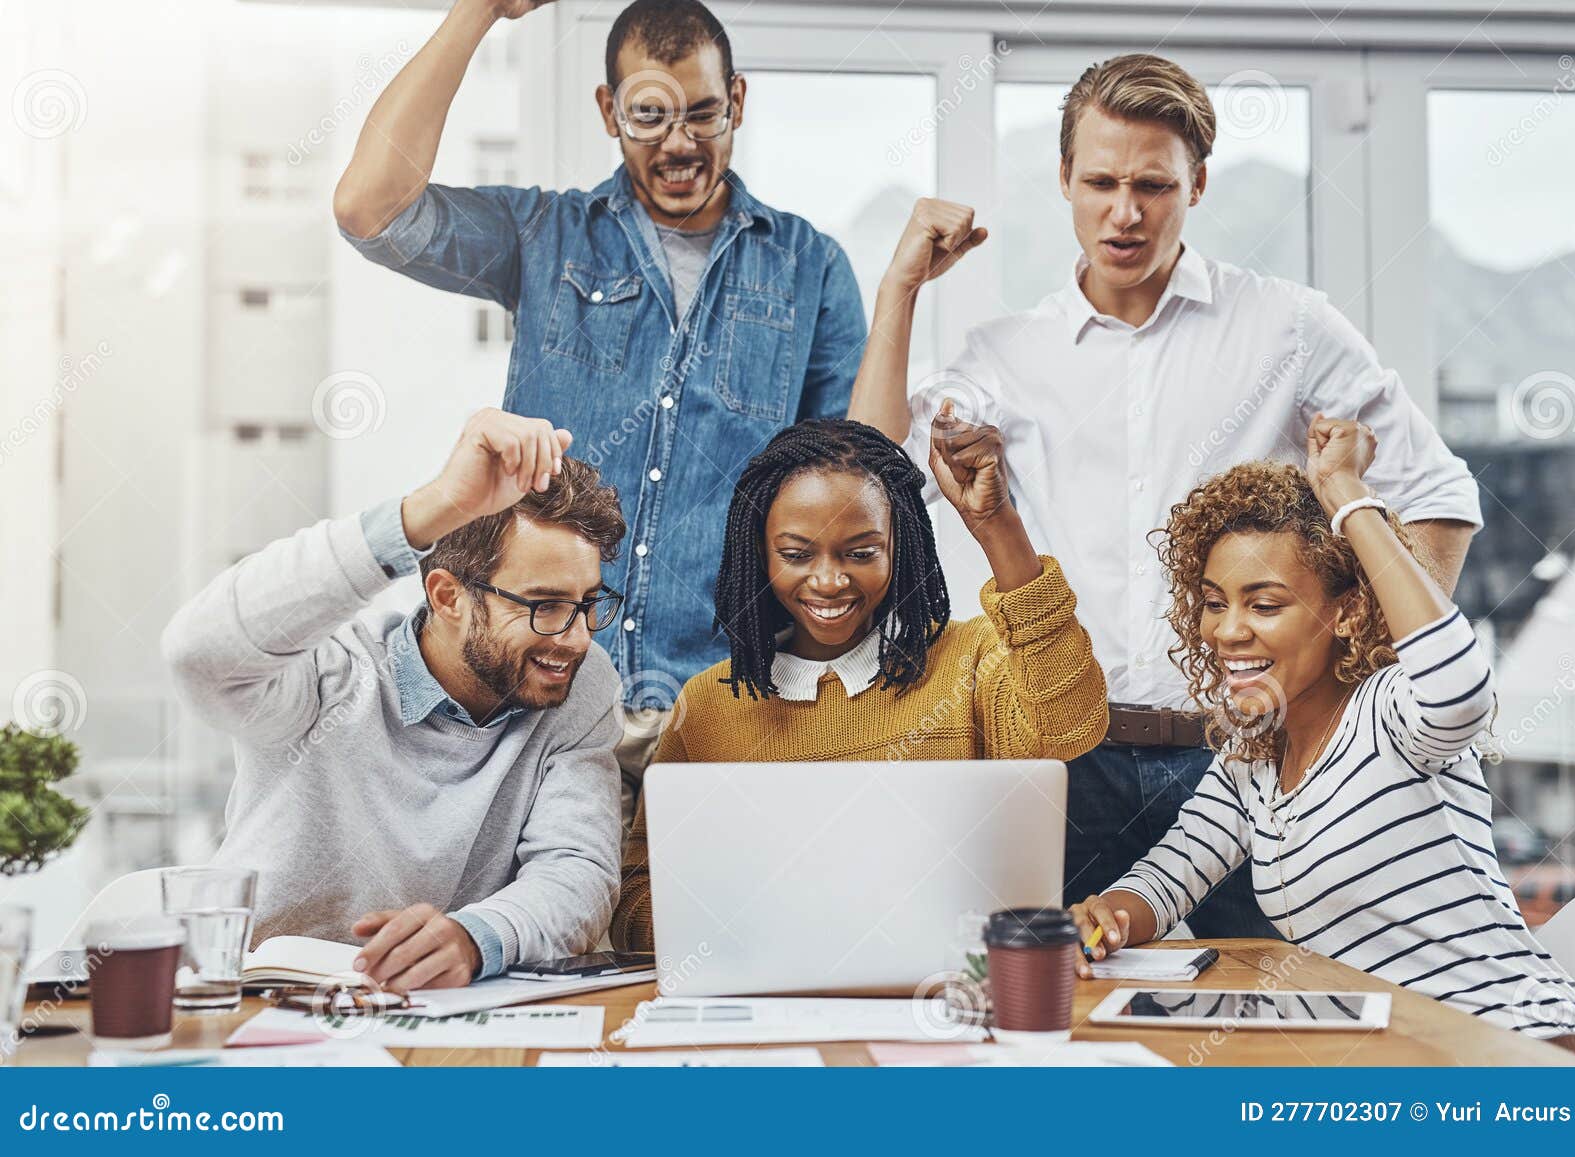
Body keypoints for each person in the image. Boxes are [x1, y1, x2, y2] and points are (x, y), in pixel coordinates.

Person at [847, 53, 1482, 938]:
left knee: (1268, 1008)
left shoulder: (1289, 327)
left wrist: (1360, 684)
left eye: (1154, 183)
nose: (1125, 211)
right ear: (1064, 178)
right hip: (1067, 760)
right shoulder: (1007, 355)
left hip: (1246, 754)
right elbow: (867, 477)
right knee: (1055, 1015)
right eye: (1101, 181)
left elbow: (1439, 493)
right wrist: (900, 288)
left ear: (1198, 183)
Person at [333, 0, 868, 814]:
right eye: (649, 115)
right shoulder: (545, 235)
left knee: (690, 938)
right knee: (531, 932)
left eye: (703, 112)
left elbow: (851, 487)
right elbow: (369, 209)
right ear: (608, 112)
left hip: (719, 713)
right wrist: (480, 11)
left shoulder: (810, 267)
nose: (680, 142)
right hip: (532, 704)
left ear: (739, 102)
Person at [1069, 417, 1575, 1040]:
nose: (1228, 631)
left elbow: (1460, 685)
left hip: (1522, 1044)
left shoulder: (1393, 713)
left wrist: (1346, 494)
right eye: (1215, 602)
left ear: (1348, 612)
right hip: (1396, 1053)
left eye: (1264, 604)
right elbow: (1169, 875)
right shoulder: (1253, 759)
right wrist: (1107, 918)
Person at [610, 408, 1111, 951]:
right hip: (767, 1001)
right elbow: (638, 900)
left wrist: (996, 525)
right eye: (797, 555)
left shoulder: (967, 661)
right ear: (759, 551)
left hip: (945, 993)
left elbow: (1068, 726)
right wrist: (764, 937)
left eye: (862, 553)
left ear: (901, 546)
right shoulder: (708, 706)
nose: (829, 581)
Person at [162, 409, 625, 990]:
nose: (577, 637)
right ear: (448, 596)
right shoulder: (327, 673)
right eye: (544, 606)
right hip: (257, 1005)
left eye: (587, 603)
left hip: (431, 1024)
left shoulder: (580, 682)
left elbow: (577, 868)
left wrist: (476, 938)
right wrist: (422, 516)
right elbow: (197, 654)